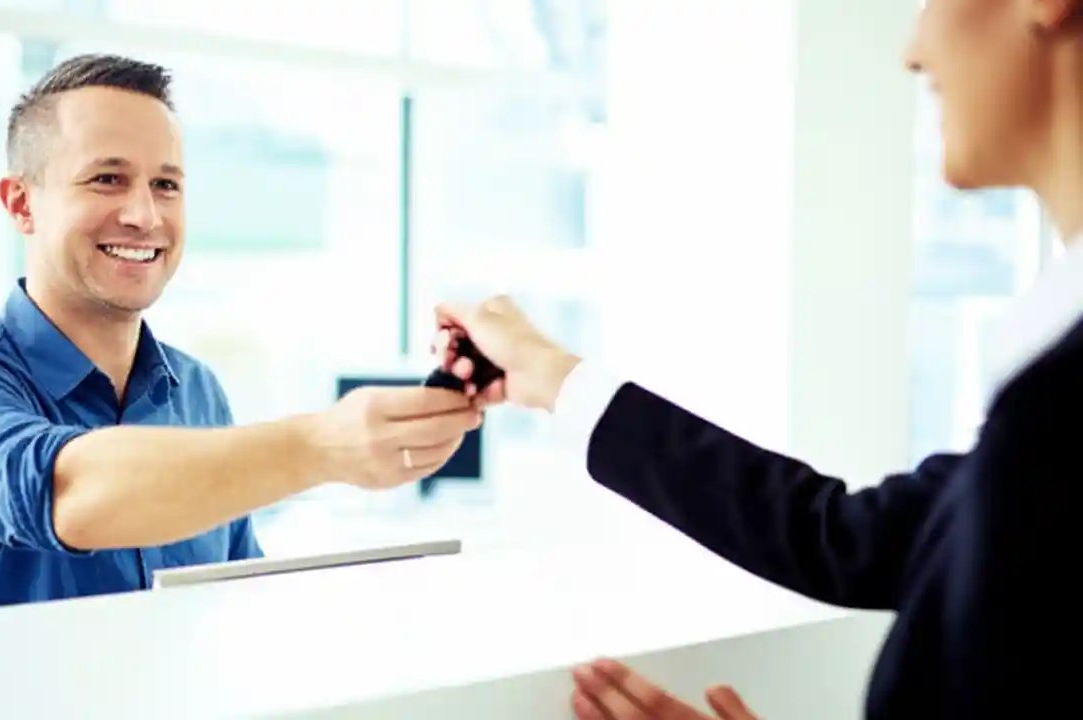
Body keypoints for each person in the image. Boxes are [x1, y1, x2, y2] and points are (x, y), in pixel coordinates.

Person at [435, 1, 1082, 717]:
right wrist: (552, 377)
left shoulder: (1061, 396)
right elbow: (845, 538)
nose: (913, 51)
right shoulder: (1046, 384)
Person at [0, 53, 480, 618]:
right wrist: (324, 445)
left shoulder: (198, 394)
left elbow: (235, 608)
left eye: (166, 185)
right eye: (108, 179)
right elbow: (72, 493)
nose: (145, 215)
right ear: (21, 204)